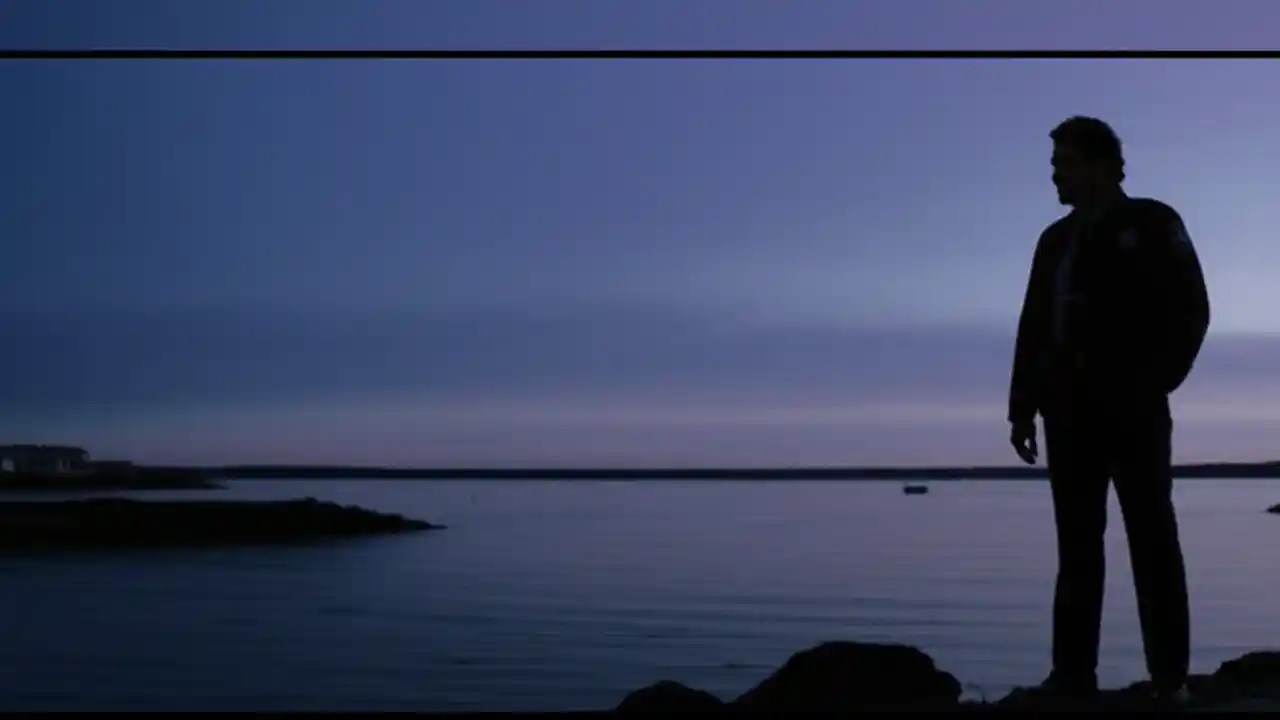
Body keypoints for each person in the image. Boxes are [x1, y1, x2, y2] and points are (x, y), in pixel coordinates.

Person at [1007, 116, 1210, 704]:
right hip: (1066, 416)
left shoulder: (1152, 222)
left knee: (1152, 539)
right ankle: (1072, 676)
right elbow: (1033, 327)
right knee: (1076, 546)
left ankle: (1169, 679)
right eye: (1054, 164)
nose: (1054, 175)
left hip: (1134, 411)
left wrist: (1152, 383)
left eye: (1063, 163)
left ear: (1099, 164)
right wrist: (1022, 408)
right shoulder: (1053, 240)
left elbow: (1191, 309)